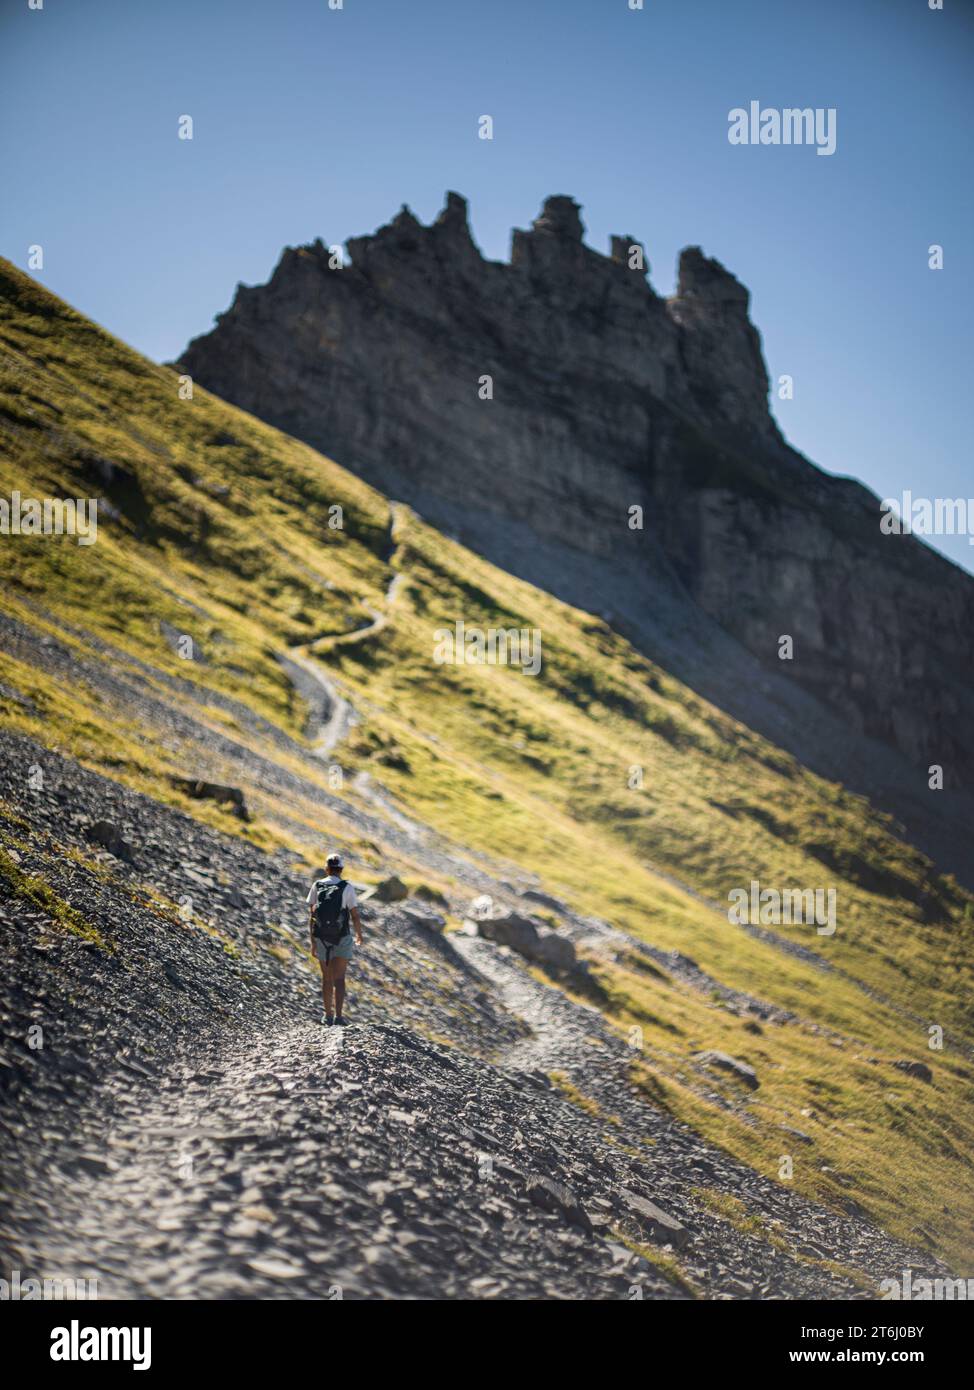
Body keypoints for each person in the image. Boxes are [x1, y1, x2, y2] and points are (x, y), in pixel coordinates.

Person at [306, 853, 363, 1026]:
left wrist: (313, 942)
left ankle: (327, 1016)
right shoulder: (347, 887)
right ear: (341, 870)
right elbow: (354, 915)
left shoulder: (317, 885)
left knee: (326, 978)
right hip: (342, 938)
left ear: (326, 868)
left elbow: (313, 916)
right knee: (340, 978)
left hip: (322, 938)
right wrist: (359, 934)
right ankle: (339, 1016)